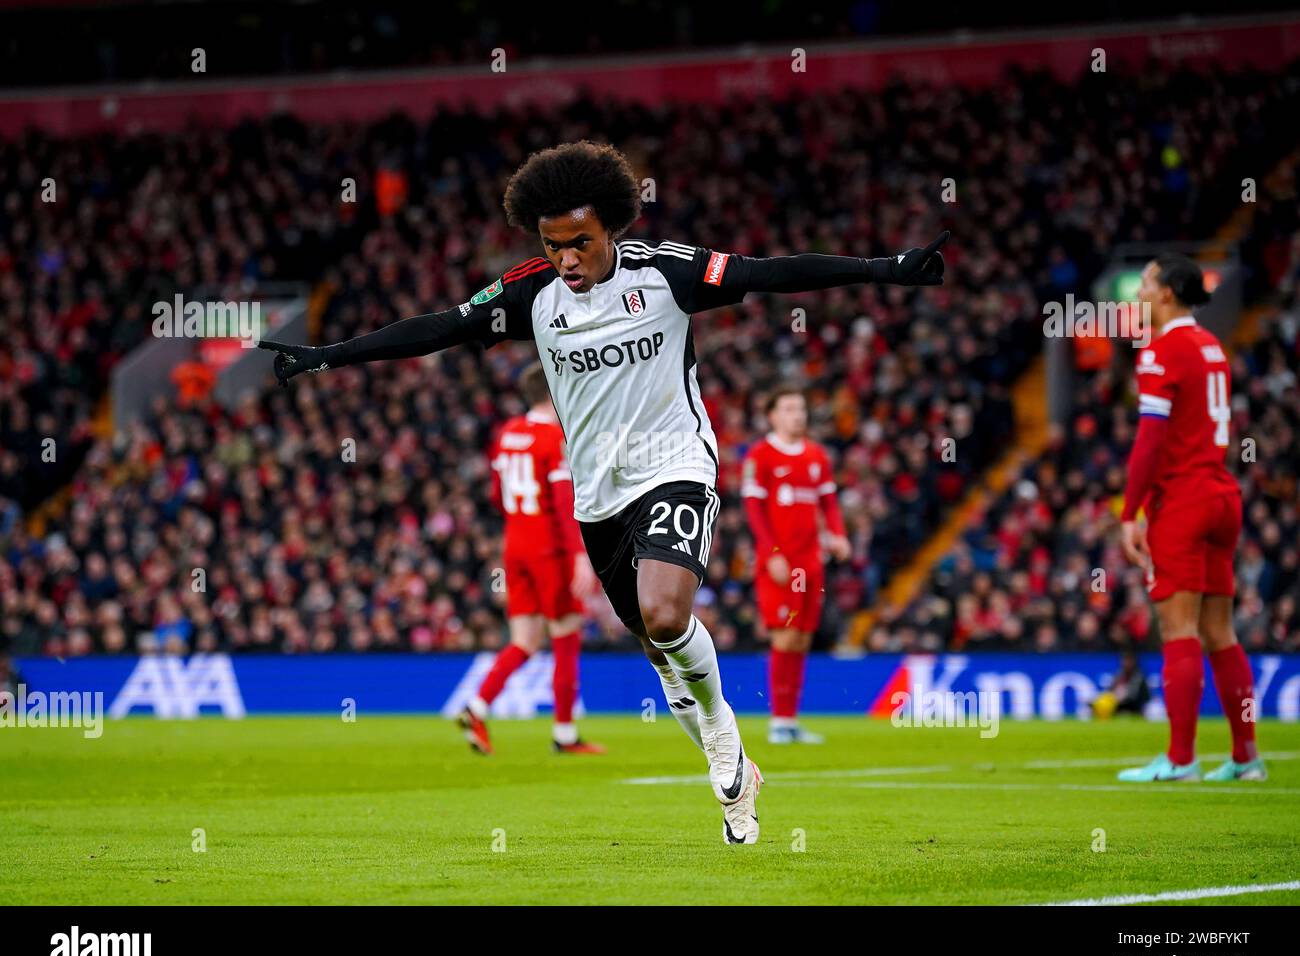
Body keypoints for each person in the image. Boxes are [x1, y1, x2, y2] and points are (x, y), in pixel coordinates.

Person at [261, 141, 948, 842]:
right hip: (598, 497)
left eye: (580, 243)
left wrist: (883, 269)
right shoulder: (530, 291)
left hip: (675, 463)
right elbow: (442, 327)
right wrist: (329, 354)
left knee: (666, 613)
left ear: (612, 228)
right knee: (657, 648)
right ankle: (737, 765)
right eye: (554, 245)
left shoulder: (666, 272)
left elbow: (769, 274)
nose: (567, 259)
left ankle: (720, 734)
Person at [1117, 254, 1264, 782]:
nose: (1139, 290)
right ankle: (1246, 756)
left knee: (1177, 628)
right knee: (1220, 632)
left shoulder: (1163, 350)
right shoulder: (1211, 346)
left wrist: (1129, 511)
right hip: (1223, 496)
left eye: (1148, 282)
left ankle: (1180, 759)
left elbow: (1150, 440)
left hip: (1183, 500)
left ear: (1168, 294)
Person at [457, 362, 604, 755]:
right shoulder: (554, 437)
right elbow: (562, 502)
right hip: (549, 549)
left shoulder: (507, 434)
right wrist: (579, 556)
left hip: (515, 545)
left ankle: (476, 705)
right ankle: (565, 735)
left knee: (524, 640)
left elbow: (494, 495)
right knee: (566, 634)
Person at [742, 387, 850, 744]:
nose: (797, 415)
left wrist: (837, 535)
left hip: (810, 562)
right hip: (780, 561)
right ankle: (777, 722)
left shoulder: (817, 456)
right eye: (789, 408)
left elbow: (829, 503)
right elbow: (755, 512)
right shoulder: (760, 456)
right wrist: (771, 552)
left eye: (801, 408)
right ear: (772, 415)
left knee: (802, 638)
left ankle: (790, 719)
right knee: (784, 635)